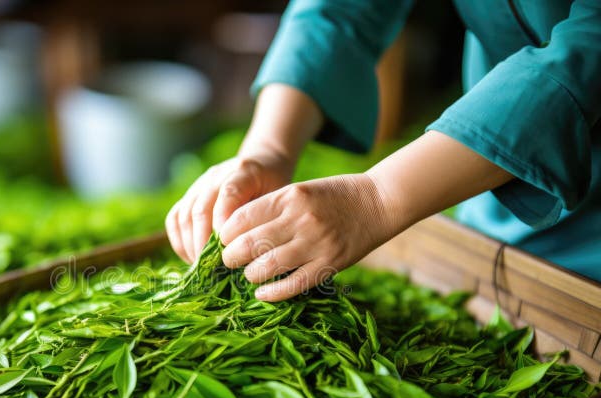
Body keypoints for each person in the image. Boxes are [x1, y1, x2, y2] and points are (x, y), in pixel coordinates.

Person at [165, 0, 601, 302]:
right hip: (486, 176)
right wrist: (267, 149)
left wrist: (376, 198)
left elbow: (589, 44)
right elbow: (340, 9)